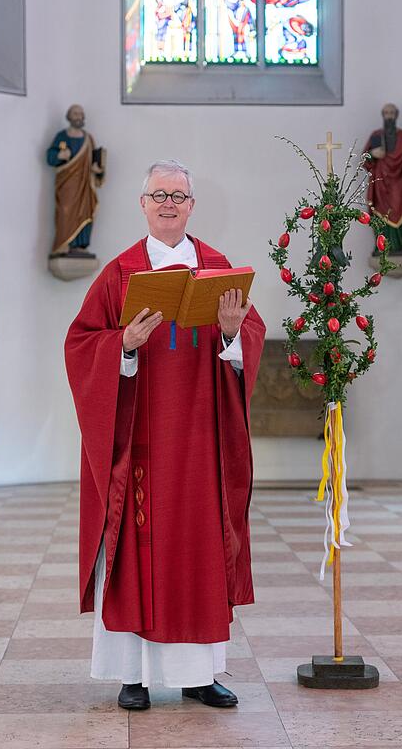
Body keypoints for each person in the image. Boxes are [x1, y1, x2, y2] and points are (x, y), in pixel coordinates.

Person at [65, 160, 265, 711]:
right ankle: (133, 674)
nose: (169, 203)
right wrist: (122, 345)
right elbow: (81, 344)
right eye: (159, 194)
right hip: (142, 445)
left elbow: (250, 332)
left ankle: (201, 675)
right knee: (135, 551)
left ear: (192, 205)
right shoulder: (119, 273)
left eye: (179, 195)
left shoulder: (217, 268)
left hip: (201, 445)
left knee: (198, 552)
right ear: (144, 204)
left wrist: (231, 334)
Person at [46, 104, 105, 258]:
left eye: (80, 113)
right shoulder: (62, 137)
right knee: (66, 211)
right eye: (75, 113)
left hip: (85, 184)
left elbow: (93, 161)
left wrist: (96, 170)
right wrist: (60, 156)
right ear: (69, 116)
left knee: (86, 210)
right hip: (67, 183)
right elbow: (50, 157)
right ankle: (64, 244)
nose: (78, 116)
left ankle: (80, 245)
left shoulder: (88, 139)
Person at [364, 103, 402, 254]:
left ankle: (399, 247)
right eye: (386, 112)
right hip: (380, 181)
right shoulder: (376, 135)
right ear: (383, 115)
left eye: (392, 113)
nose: (389, 116)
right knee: (380, 214)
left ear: (396, 115)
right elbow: (365, 158)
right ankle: (382, 248)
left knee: (399, 210)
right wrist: (373, 155)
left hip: (398, 183)